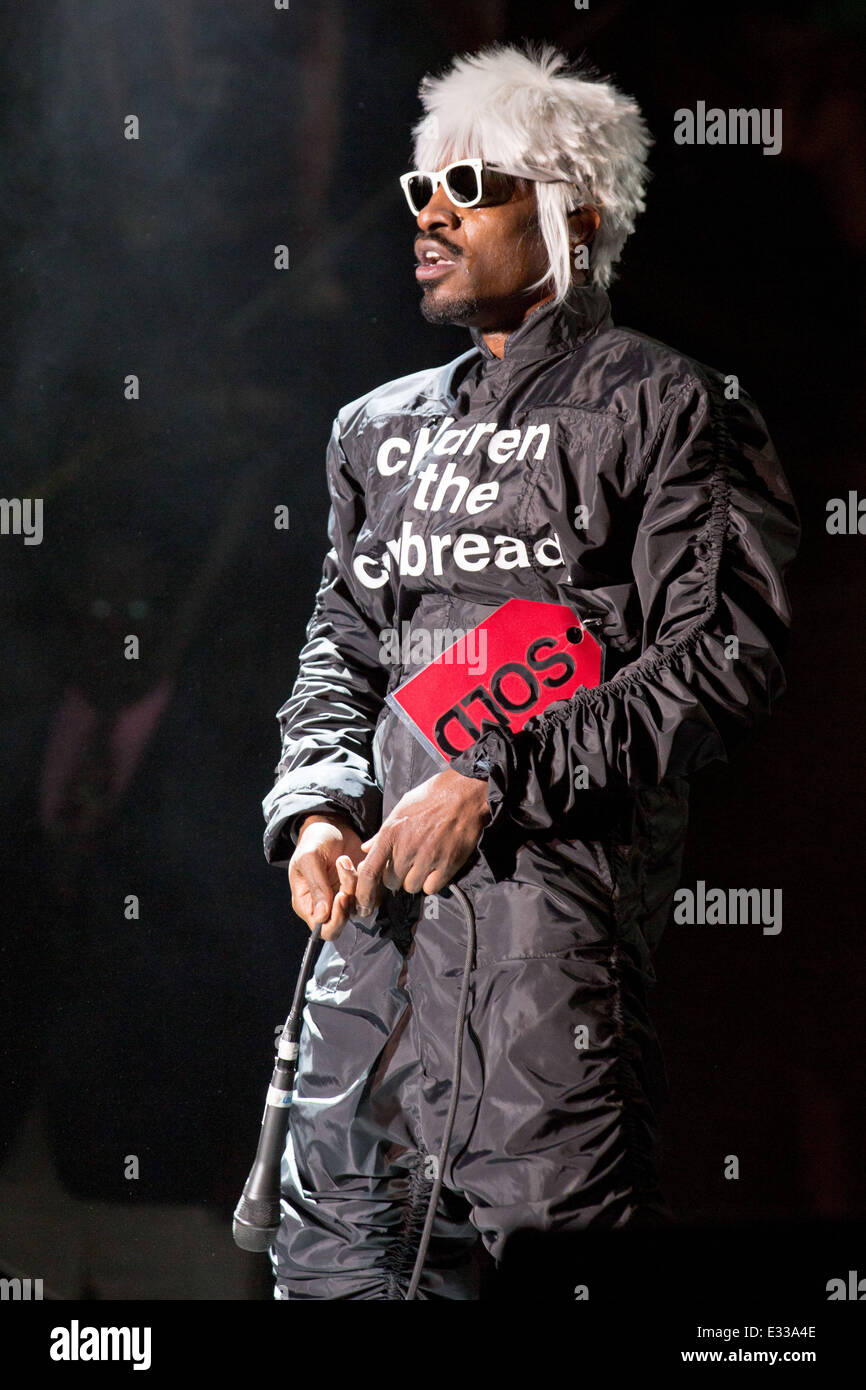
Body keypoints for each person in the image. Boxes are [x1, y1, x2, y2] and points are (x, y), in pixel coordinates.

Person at [261, 41, 800, 1300]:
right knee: (335, 1268)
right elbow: (338, 644)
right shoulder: (376, 429)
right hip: (366, 962)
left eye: (473, 184)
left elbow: (724, 653)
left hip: (548, 982)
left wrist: (492, 780)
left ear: (574, 214)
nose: (431, 212)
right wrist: (317, 805)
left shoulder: (669, 406)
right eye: (419, 190)